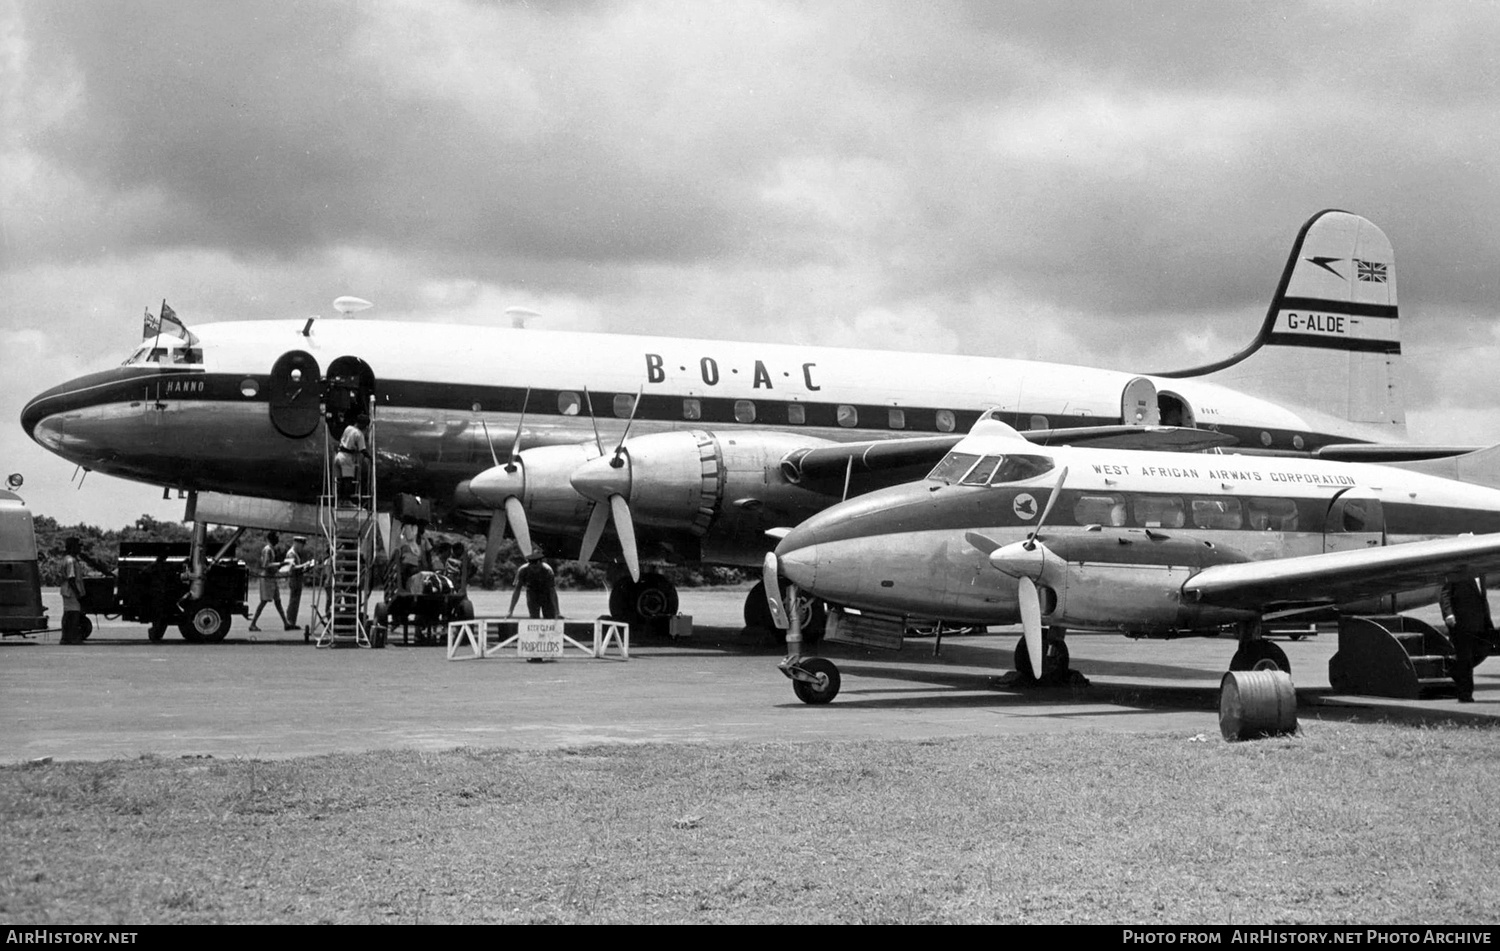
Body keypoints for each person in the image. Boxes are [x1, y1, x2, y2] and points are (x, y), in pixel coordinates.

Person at [1440, 577, 1489, 703]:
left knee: (1484, 650)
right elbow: (1445, 594)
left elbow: (1482, 599)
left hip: (1480, 623)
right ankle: (1465, 695)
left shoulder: (1481, 575)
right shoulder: (1457, 573)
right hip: (1461, 623)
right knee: (1465, 658)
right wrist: (1448, 614)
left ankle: (1455, 670)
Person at [249, 531, 290, 632]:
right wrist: (279, 564)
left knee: (278, 601)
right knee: (264, 601)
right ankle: (253, 624)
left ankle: (286, 623)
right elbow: (266, 565)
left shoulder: (271, 549)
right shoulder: (268, 550)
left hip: (271, 578)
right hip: (267, 578)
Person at [508, 548, 561, 620]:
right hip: (532, 593)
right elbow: (517, 590)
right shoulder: (523, 570)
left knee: (549, 618)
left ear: (540, 562)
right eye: (531, 564)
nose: (533, 568)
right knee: (534, 619)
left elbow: (552, 591)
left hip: (546, 594)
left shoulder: (548, 570)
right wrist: (510, 611)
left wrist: (557, 612)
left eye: (536, 566)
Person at [334, 414, 370, 503]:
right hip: (347, 457)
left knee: (341, 480)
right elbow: (363, 450)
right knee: (348, 481)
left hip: (339, 455)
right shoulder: (359, 434)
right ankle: (346, 501)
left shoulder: (348, 428)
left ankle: (340, 500)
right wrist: (370, 457)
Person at [59, 537, 88, 644]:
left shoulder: (66, 559)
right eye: (78, 546)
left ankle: (65, 637)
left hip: (67, 590)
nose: (80, 548)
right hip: (71, 591)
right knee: (74, 614)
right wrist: (78, 593)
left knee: (68, 614)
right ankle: (72, 638)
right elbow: (71, 579)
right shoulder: (71, 560)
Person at [283, 535, 312, 630]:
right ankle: (290, 621)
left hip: (297, 579)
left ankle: (292, 621)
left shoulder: (295, 553)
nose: (302, 547)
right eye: (301, 545)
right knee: (293, 601)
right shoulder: (291, 554)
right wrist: (305, 564)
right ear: (297, 543)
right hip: (294, 579)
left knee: (295, 601)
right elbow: (292, 567)